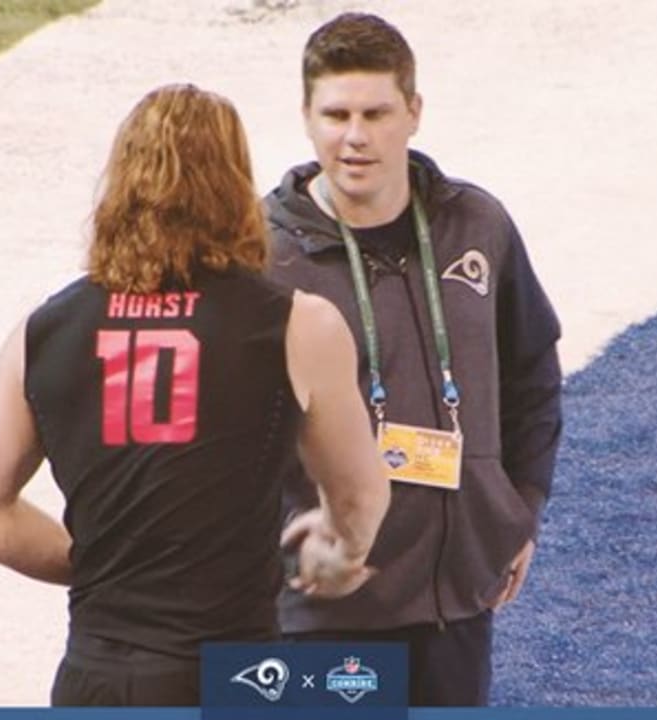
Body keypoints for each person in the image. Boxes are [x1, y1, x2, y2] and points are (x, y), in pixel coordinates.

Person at [0, 83, 390, 707]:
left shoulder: (42, 330)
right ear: (235, 185)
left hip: (94, 672)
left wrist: (106, 564)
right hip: (231, 676)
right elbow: (360, 493)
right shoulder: (298, 324)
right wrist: (340, 549)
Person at [264, 13, 564, 706]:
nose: (356, 136)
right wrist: (282, 540)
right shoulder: (263, 257)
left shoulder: (477, 226)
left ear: (414, 113)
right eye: (335, 113)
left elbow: (532, 376)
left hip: (452, 602)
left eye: (376, 112)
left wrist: (518, 510)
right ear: (307, 118)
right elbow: (225, 436)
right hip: (318, 610)